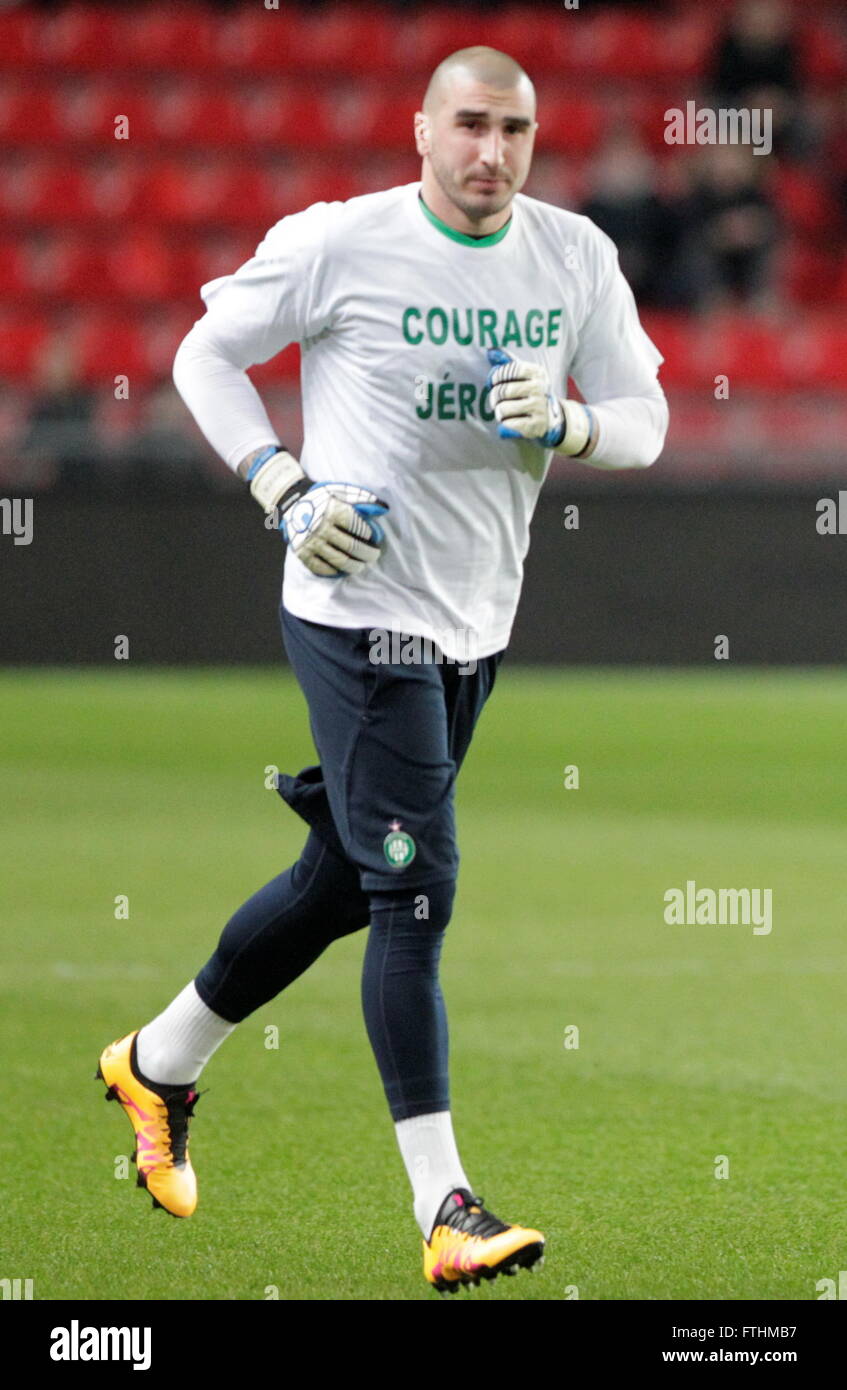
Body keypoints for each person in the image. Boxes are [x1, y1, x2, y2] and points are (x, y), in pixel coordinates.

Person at [97, 46, 668, 1295]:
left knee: (347, 878)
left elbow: (645, 415)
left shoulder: (572, 256)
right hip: (358, 611)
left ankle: (159, 1058)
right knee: (419, 889)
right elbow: (204, 354)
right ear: (419, 132)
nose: (491, 154)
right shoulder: (338, 242)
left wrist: (570, 423)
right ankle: (445, 1207)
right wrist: (280, 484)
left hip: (474, 623)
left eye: (514, 130)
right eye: (469, 125)